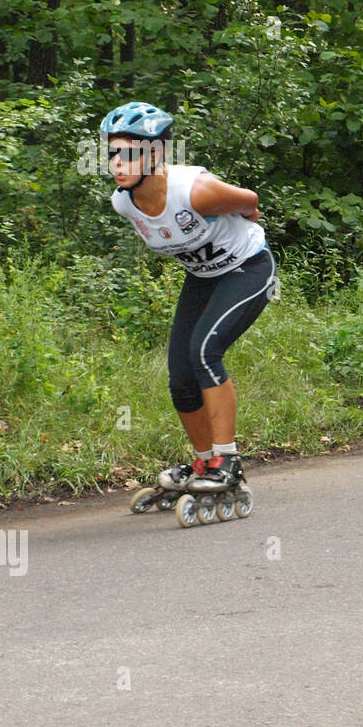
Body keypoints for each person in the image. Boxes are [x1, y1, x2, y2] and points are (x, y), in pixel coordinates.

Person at [105, 101, 276, 495]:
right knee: (180, 377)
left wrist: (244, 214)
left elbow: (249, 200)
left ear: (154, 154)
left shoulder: (195, 191)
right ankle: (204, 463)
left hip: (248, 268)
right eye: (113, 152)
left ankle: (227, 462)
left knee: (205, 353)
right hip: (203, 279)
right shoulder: (123, 203)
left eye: (127, 153)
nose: (117, 162)